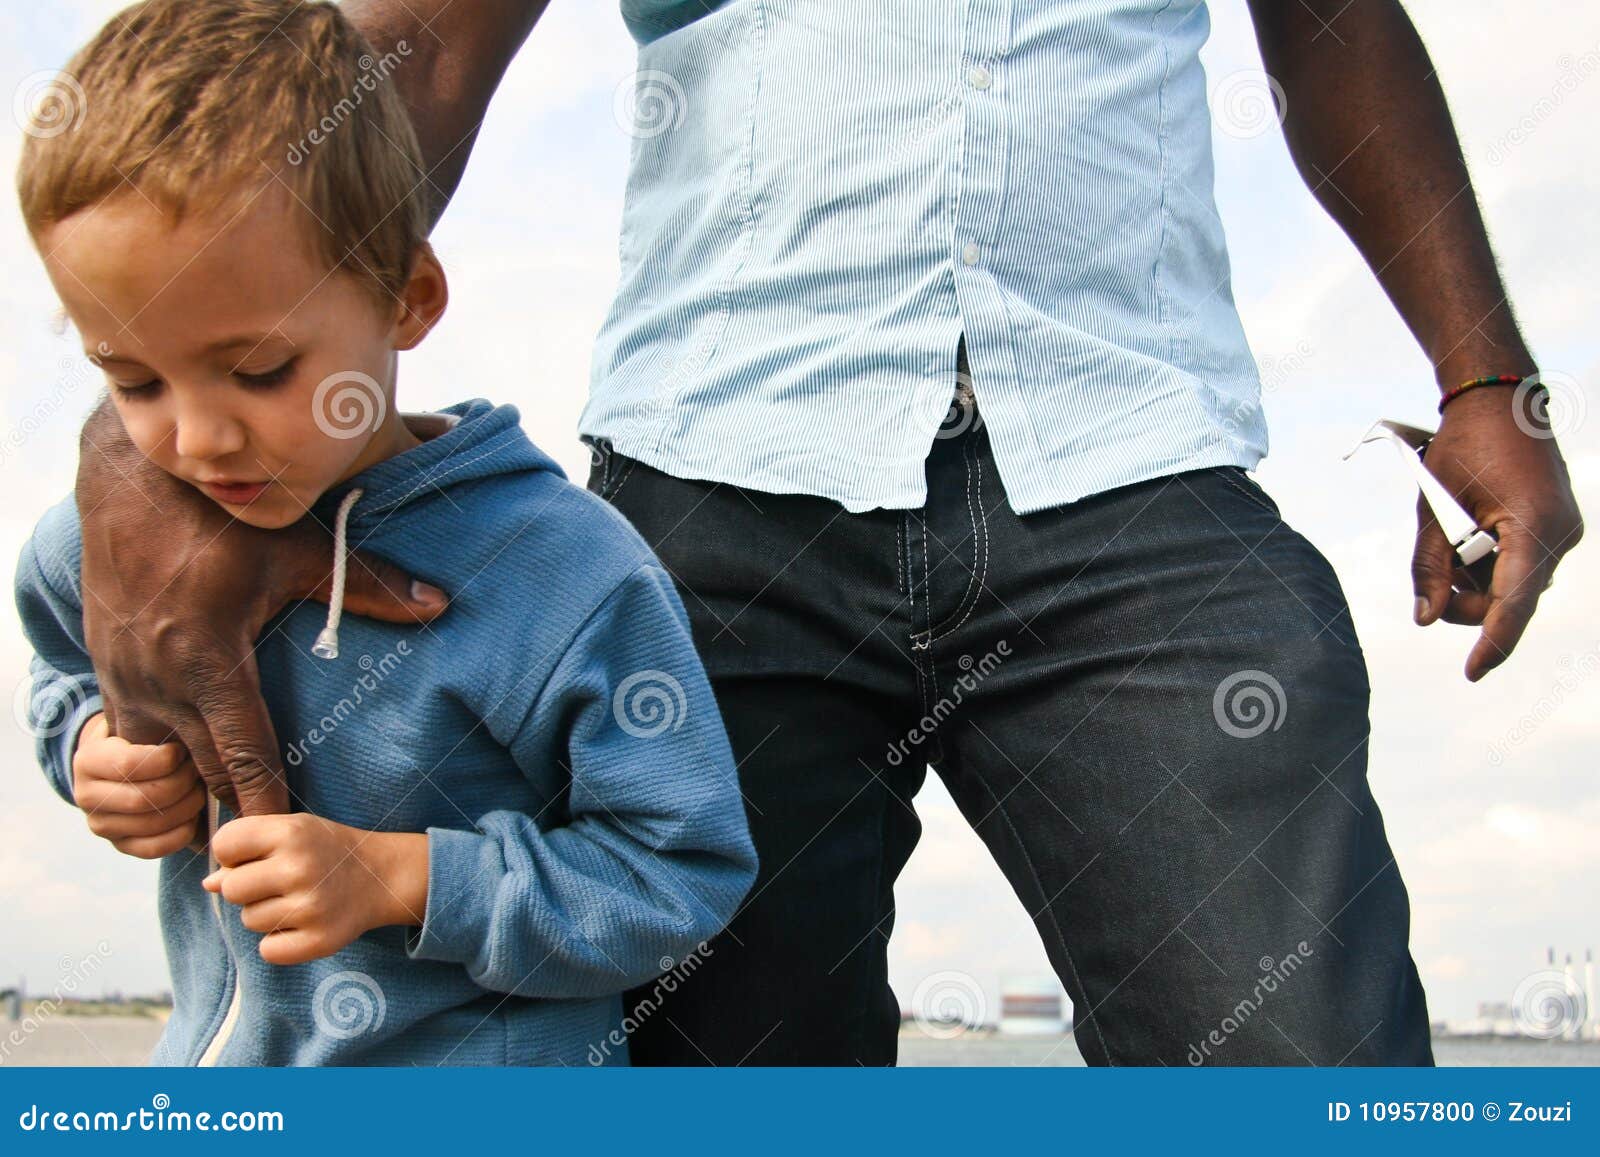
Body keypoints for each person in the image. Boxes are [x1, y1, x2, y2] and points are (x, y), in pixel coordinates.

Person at [62, 0, 1582, 1065]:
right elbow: (415, 53)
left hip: (1136, 459)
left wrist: (1482, 371)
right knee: (723, 1080)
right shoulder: (580, 601)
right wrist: (161, 435)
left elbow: (1336, 20)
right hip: (714, 493)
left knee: (1311, 1069)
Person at [13, 0, 756, 1066]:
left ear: (409, 296)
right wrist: (87, 746)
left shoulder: (566, 571)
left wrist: (401, 876)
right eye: (131, 380)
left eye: (262, 369)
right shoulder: (123, 546)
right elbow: (62, 665)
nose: (195, 436)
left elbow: (677, 876)